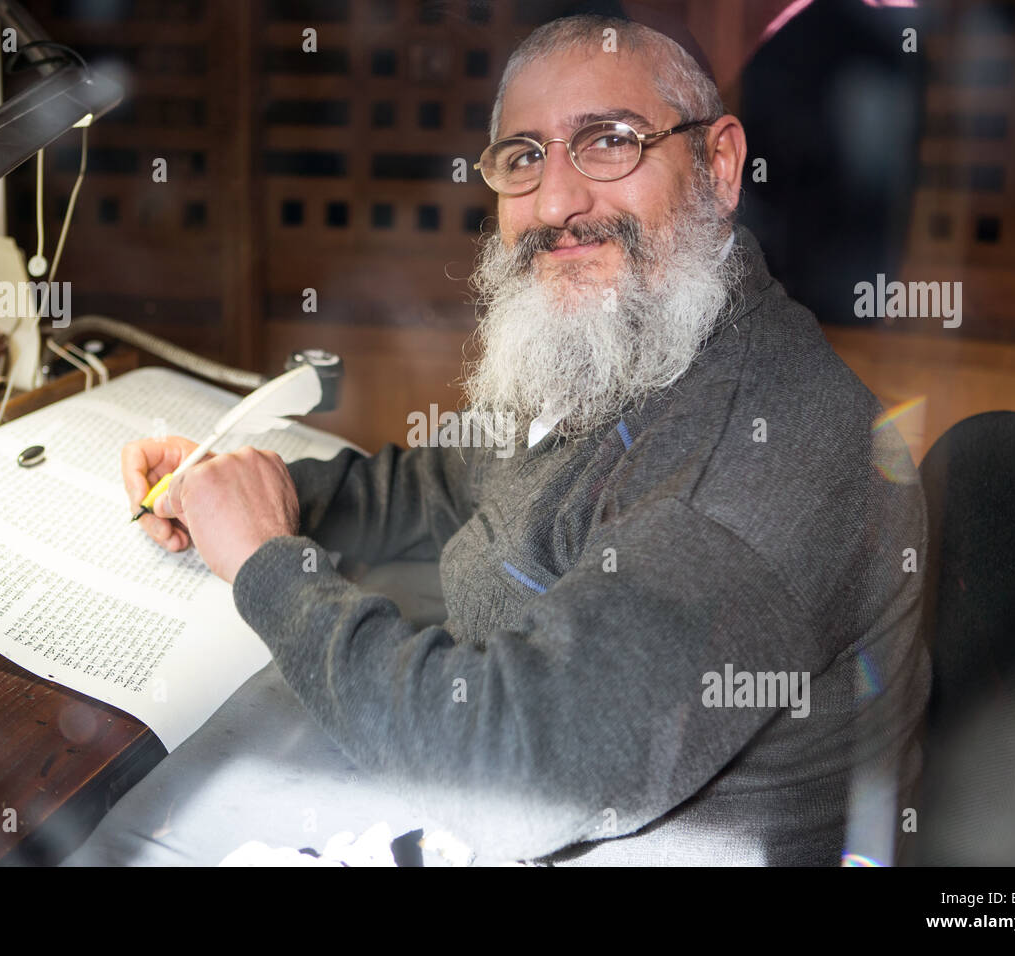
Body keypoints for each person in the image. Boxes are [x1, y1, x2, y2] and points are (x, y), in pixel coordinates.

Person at [118, 14, 929, 866]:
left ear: (719, 165)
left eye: (610, 142)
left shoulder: (763, 446)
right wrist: (256, 493)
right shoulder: (634, 338)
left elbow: (525, 780)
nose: (555, 204)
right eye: (523, 158)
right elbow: (451, 484)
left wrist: (267, 562)